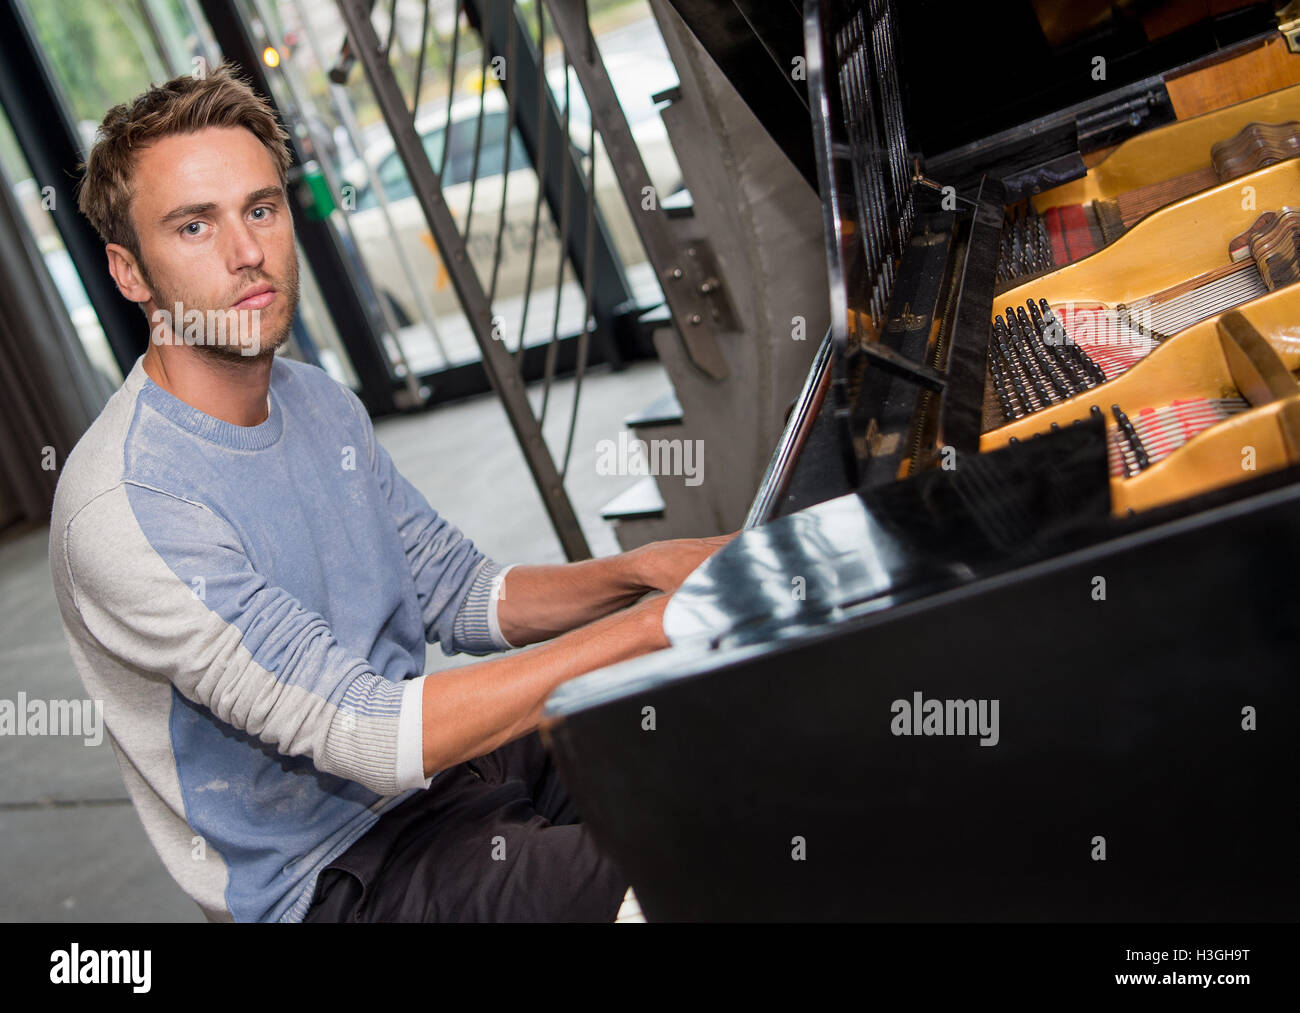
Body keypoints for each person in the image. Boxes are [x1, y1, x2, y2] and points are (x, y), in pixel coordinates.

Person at [50, 63, 729, 923]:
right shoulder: (126, 509)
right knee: (691, 876)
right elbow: (363, 730)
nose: (247, 251)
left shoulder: (317, 401)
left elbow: (467, 592)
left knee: (706, 746)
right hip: (330, 875)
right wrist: (646, 628)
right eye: (194, 226)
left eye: (261, 208)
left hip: (436, 776)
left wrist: (639, 572)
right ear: (129, 272)